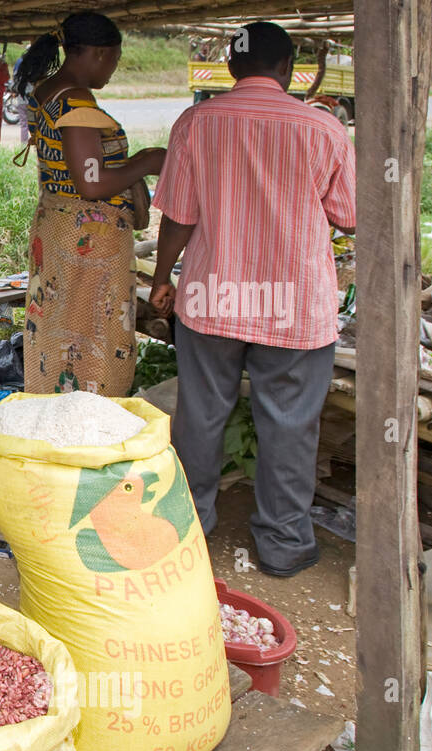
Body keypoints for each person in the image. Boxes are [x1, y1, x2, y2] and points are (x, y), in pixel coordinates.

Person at [150, 21, 355, 577]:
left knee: (201, 415)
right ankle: (284, 545)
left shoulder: (196, 123)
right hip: (296, 306)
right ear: (288, 67)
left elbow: (178, 216)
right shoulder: (324, 129)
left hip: (212, 298)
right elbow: (350, 217)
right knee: (290, 425)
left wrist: (161, 277)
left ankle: (189, 530)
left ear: (233, 68)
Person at [14, 13, 164, 396]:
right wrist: (145, 163)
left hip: (57, 225)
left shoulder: (47, 89)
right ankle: (89, 419)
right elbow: (92, 183)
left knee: (59, 326)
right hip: (88, 240)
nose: (113, 69)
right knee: (93, 334)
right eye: (114, 59)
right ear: (98, 53)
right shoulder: (76, 103)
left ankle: (52, 407)